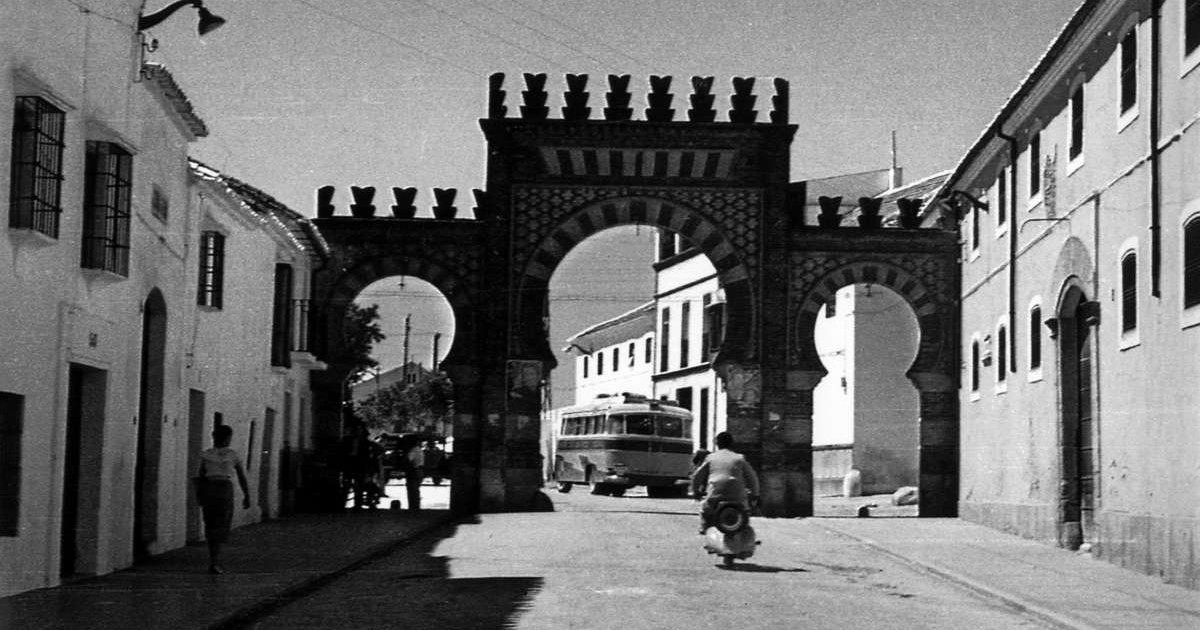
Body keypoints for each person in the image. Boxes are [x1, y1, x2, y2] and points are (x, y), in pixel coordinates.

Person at [196, 424, 251, 574]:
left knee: (210, 524)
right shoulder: (232, 455)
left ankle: (213, 559)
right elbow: (241, 476)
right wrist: (247, 495)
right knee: (221, 524)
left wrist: (199, 495)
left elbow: (201, 476)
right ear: (227, 438)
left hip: (210, 488)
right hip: (224, 489)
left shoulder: (206, 454)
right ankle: (215, 561)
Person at [690, 432, 759, 534]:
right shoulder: (740, 458)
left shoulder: (710, 458)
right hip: (737, 497)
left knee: (705, 513)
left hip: (715, 496)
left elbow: (697, 477)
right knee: (745, 516)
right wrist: (755, 495)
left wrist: (696, 492)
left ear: (717, 444)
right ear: (732, 444)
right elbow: (753, 478)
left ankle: (705, 529)